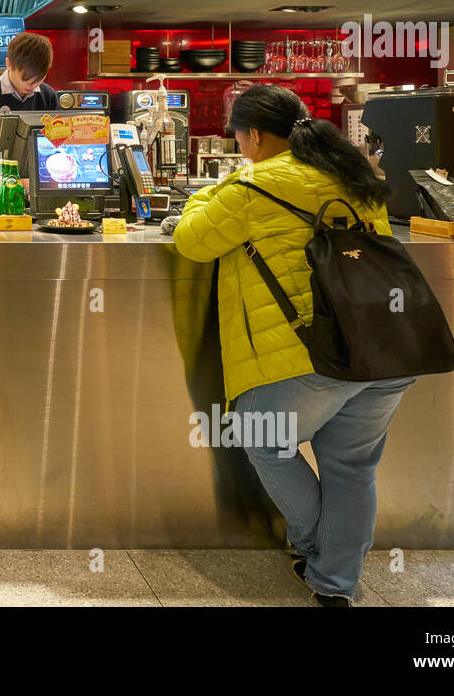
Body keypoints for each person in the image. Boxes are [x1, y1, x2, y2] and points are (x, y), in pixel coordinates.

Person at [173, 84, 409, 607]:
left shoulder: (253, 184)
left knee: (265, 444)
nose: (238, 146)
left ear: (254, 135)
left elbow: (191, 239)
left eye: (238, 137)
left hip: (306, 355)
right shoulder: (353, 177)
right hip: (382, 349)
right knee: (351, 469)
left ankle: (312, 546)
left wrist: (211, 189)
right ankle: (334, 582)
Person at [0, 31, 59, 151]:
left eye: (39, 79)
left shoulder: (49, 96)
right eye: (26, 79)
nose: (33, 85)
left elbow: (59, 141)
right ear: (9, 64)